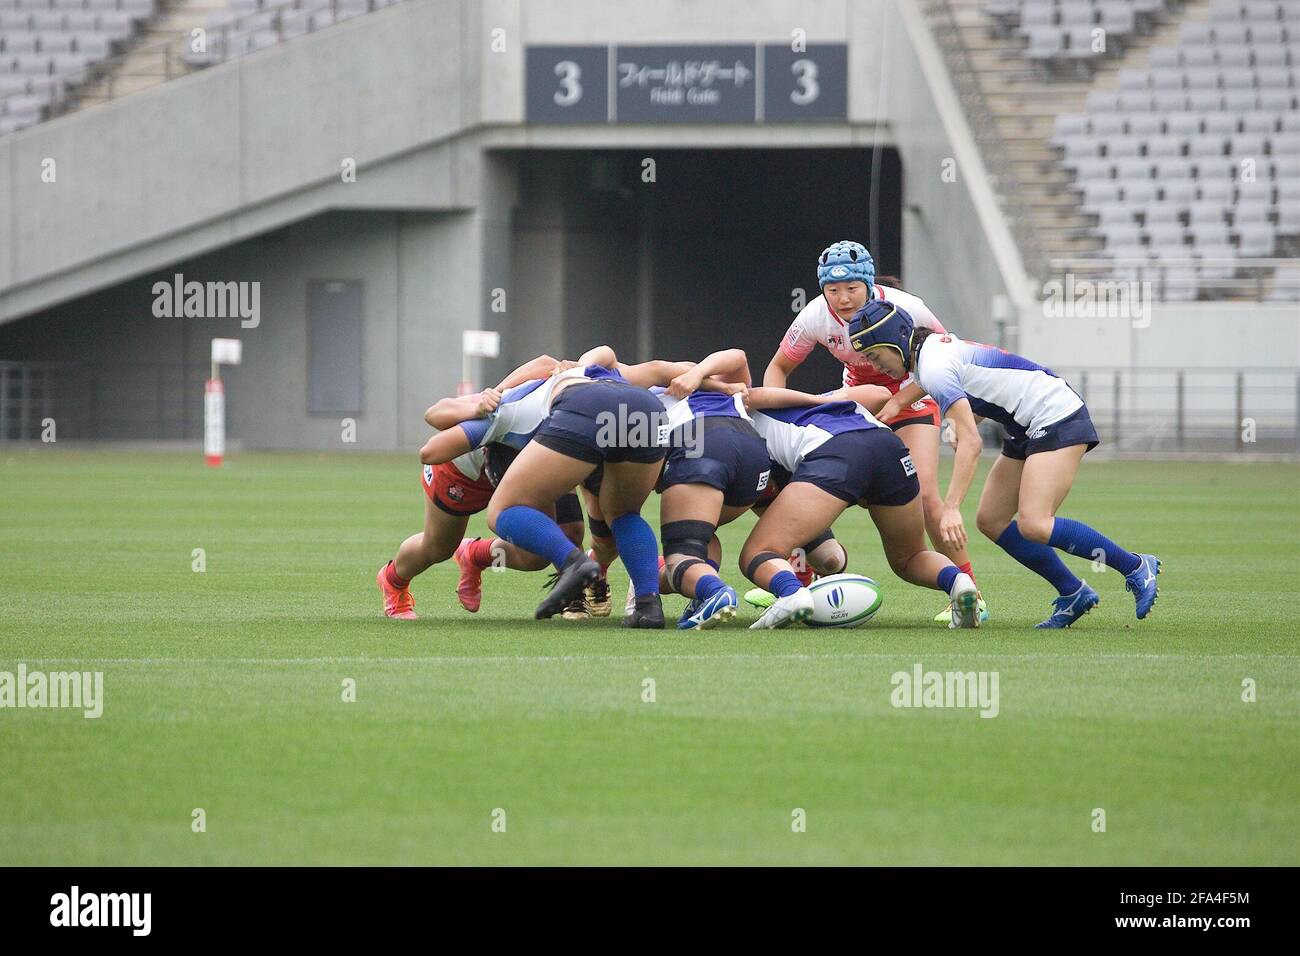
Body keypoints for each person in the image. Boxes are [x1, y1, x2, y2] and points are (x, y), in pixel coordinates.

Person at [848, 299, 1161, 628]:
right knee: (991, 520)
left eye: (874, 355)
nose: (874, 365)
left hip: (1056, 415)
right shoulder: (928, 354)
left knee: (1035, 524)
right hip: (1025, 424)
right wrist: (897, 404)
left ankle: (1136, 566)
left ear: (893, 342)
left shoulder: (933, 366)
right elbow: (972, 383)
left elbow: (971, 443)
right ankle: (1073, 592)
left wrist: (952, 507)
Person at [763, 240, 987, 624]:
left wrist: (907, 404)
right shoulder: (816, 316)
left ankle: (968, 590)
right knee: (808, 483)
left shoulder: (908, 306)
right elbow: (778, 368)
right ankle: (799, 576)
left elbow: (945, 360)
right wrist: (781, 410)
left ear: (867, 283)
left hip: (912, 400)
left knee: (926, 496)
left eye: (851, 288)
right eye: (833, 290)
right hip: (859, 407)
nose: (843, 298)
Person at [419, 346, 671, 626]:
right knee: (624, 515)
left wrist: (479, 413)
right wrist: (717, 381)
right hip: (647, 408)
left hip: (583, 408)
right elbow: (657, 368)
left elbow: (430, 452)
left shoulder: (502, 408)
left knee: (502, 510)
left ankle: (574, 563)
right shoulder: (590, 370)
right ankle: (648, 607)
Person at [740, 384, 982, 630]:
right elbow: (827, 555)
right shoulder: (814, 401)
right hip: (889, 447)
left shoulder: (742, 418)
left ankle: (791, 593)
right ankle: (958, 582)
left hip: (835, 451)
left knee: (758, 553)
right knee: (910, 557)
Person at [376, 355, 585, 619]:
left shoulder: (579, 401)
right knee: (438, 548)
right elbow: (435, 413)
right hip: (463, 473)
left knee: (537, 555)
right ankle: (393, 580)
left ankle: (475, 554)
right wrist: (481, 405)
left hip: (529, 466)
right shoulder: (509, 405)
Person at [647, 349, 769, 630]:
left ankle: (714, 591)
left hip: (702, 442)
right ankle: (698, 590)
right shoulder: (725, 389)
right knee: (700, 536)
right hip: (754, 454)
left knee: (680, 556)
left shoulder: (648, 388)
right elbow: (738, 356)